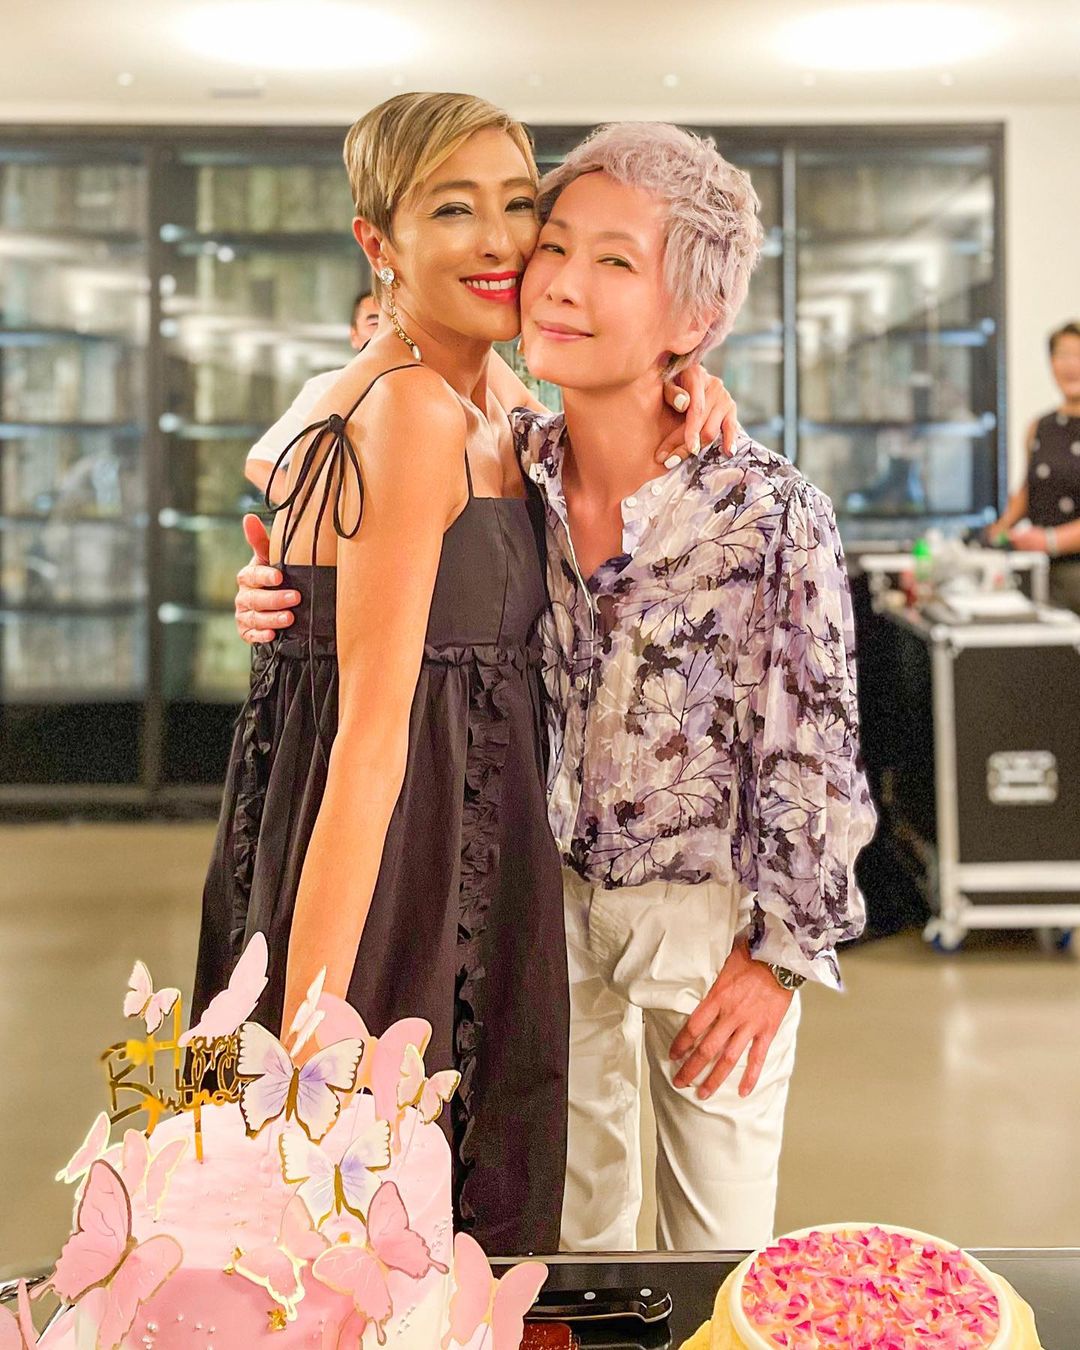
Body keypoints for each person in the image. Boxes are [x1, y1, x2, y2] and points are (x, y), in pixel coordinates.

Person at [236, 121, 875, 1252]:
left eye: (615, 263)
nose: (561, 284)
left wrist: (779, 960)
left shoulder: (768, 510)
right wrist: (287, 585)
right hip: (546, 902)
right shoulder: (512, 455)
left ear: (695, 321)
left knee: (717, 1242)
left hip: (707, 920)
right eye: (557, 246)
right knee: (569, 1233)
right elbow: (303, 450)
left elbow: (815, 752)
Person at [244, 291, 383, 503]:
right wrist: (306, 515)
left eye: (393, 321)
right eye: (373, 322)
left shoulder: (433, 387)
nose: (384, 331)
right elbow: (260, 463)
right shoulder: (326, 389)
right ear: (354, 336)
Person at [986, 321, 1080, 613]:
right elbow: (1029, 490)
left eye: (1078, 354)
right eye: (1062, 355)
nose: (1070, 364)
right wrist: (999, 530)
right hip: (1038, 569)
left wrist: (1051, 540)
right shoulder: (1039, 427)